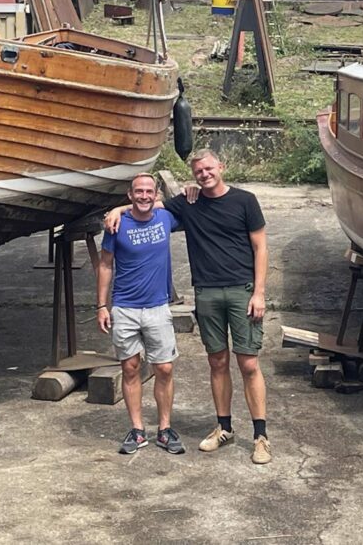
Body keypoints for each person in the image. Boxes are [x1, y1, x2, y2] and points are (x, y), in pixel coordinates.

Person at [106, 150, 272, 465]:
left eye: (209, 168)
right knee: (217, 362)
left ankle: (261, 436)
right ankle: (224, 428)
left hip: (242, 290)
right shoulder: (187, 202)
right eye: (198, 171)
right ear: (193, 175)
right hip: (206, 291)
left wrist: (260, 292)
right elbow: (146, 205)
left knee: (249, 364)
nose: (204, 174)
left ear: (221, 167)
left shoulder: (246, 201)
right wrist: (118, 208)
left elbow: (260, 246)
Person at [96, 173, 184, 455]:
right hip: (125, 307)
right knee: (130, 367)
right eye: (138, 192)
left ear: (155, 194)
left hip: (158, 306)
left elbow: (185, 206)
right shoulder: (116, 227)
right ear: (130, 194)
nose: (144, 196)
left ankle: (164, 428)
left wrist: (117, 208)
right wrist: (101, 305)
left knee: (164, 368)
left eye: (149, 191)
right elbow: (106, 265)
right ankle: (137, 430)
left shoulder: (165, 218)